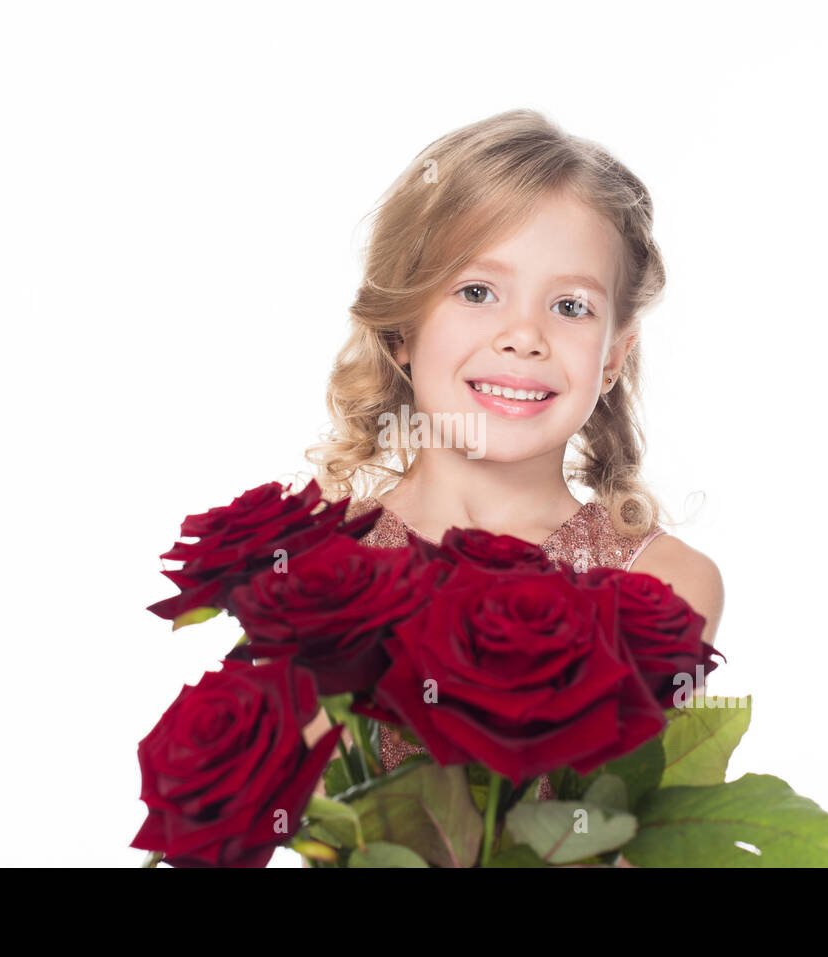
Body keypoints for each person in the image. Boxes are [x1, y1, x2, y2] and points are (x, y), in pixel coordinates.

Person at [297, 108, 725, 859]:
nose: (524, 335)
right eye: (477, 291)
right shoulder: (317, 573)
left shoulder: (661, 584)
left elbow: (629, 841)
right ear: (402, 327)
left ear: (615, 355)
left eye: (569, 306)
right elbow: (324, 833)